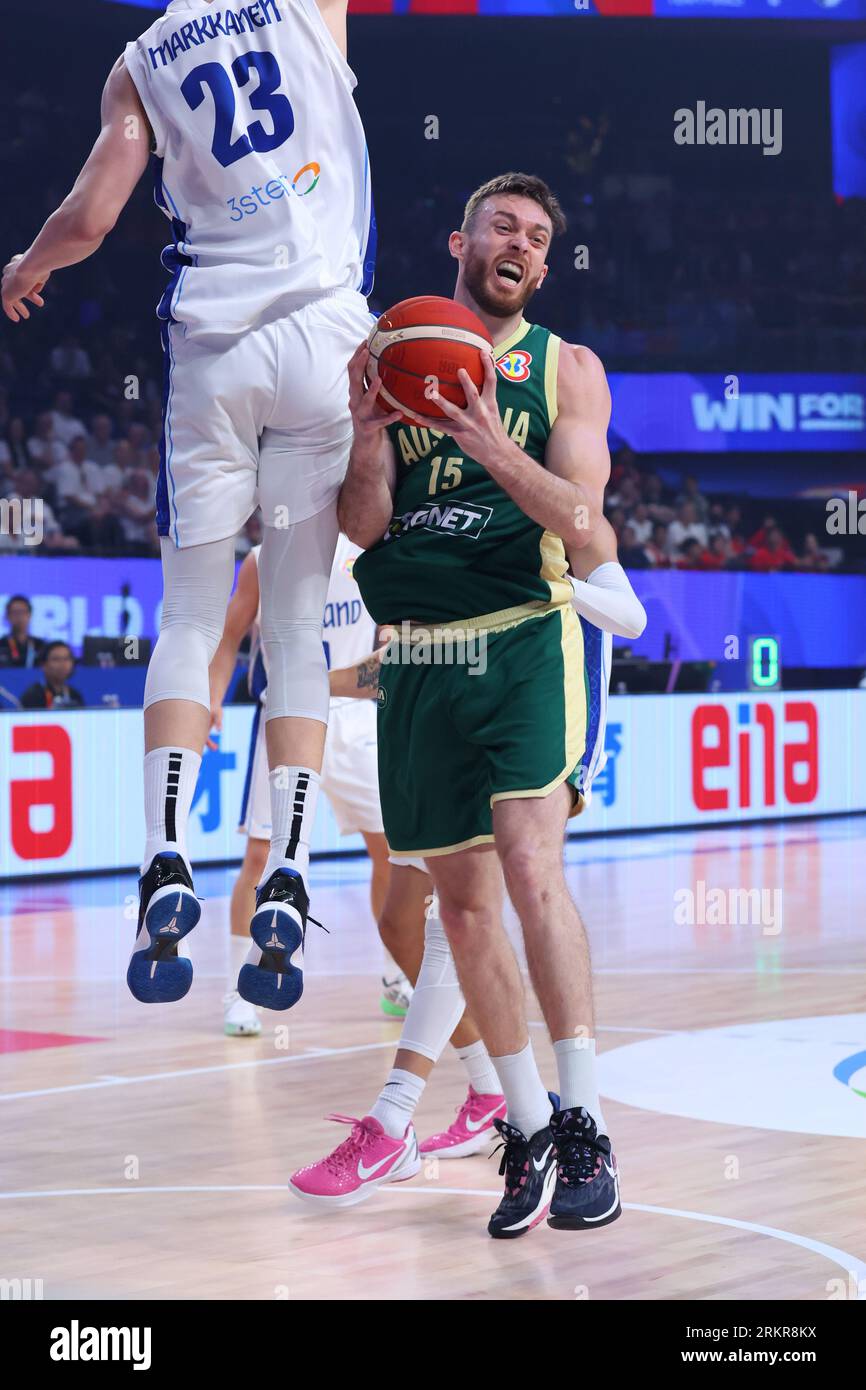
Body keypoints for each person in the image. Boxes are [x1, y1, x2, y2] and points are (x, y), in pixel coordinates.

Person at [2, 0, 376, 1007]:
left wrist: (29, 264)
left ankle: (165, 854)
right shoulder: (304, 9)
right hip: (327, 338)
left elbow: (89, 218)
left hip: (214, 350)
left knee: (191, 615)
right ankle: (288, 872)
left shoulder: (139, 63)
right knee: (297, 628)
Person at [332, 171, 627, 1238]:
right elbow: (365, 526)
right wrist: (371, 427)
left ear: (543, 266)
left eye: (538, 236)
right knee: (455, 907)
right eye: (501, 224)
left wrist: (485, 441)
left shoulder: (567, 368)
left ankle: (586, 1117)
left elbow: (583, 517)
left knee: (529, 865)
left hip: (521, 634)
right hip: (414, 653)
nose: (520, 242)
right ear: (458, 237)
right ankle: (528, 1121)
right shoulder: (388, 349)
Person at [289, 516, 647, 1209]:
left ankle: (401, 1118)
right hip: (448, 700)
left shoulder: (557, 507)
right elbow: (420, 652)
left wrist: (545, 587)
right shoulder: (419, 517)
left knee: (466, 908)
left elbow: (628, 615)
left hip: (545, 695)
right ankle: (483, 1091)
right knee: (406, 919)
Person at [208, 535, 413, 1035]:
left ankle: (395, 975)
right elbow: (229, 632)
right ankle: (242, 990)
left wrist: (363, 661)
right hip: (284, 715)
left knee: (393, 851)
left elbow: (391, 648)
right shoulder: (263, 558)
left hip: (356, 717)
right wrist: (211, 700)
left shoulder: (371, 553)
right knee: (260, 856)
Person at [20, 642, 85, 709]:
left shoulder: (75, 696)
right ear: (43, 665)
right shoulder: (32, 696)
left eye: (66, 659)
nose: (62, 664)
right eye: (56, 659)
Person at [0, 595, 46, 668]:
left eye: (23, 612)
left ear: (30, 615)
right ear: (7, 616)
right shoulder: (1, 645)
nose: (19, 617)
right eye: (15, 612)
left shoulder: (41, 646)